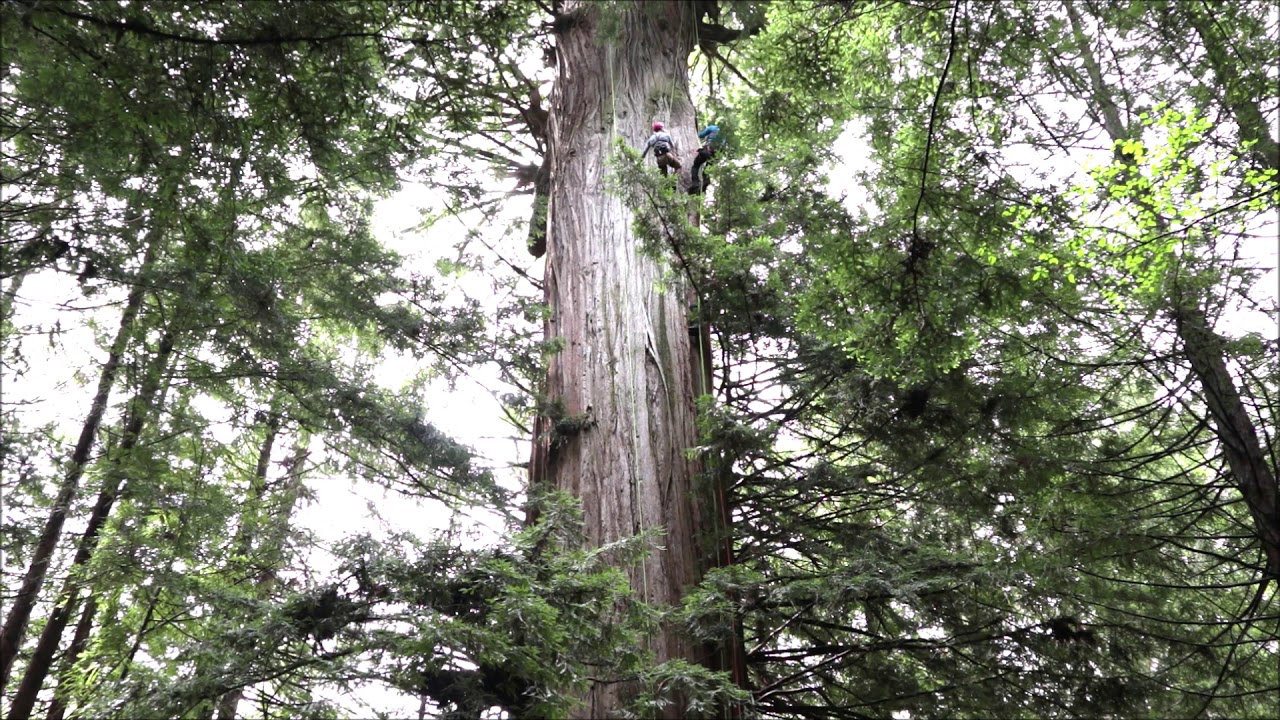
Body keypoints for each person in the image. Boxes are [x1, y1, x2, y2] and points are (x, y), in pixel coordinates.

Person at [689, 123, 721, 195]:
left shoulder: (712, 127)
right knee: (707, 170)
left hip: (707, 150)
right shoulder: (723, 135)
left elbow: (701, 135)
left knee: (696, 166)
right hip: (716, 154)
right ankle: (706, 182)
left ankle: (695, 183)